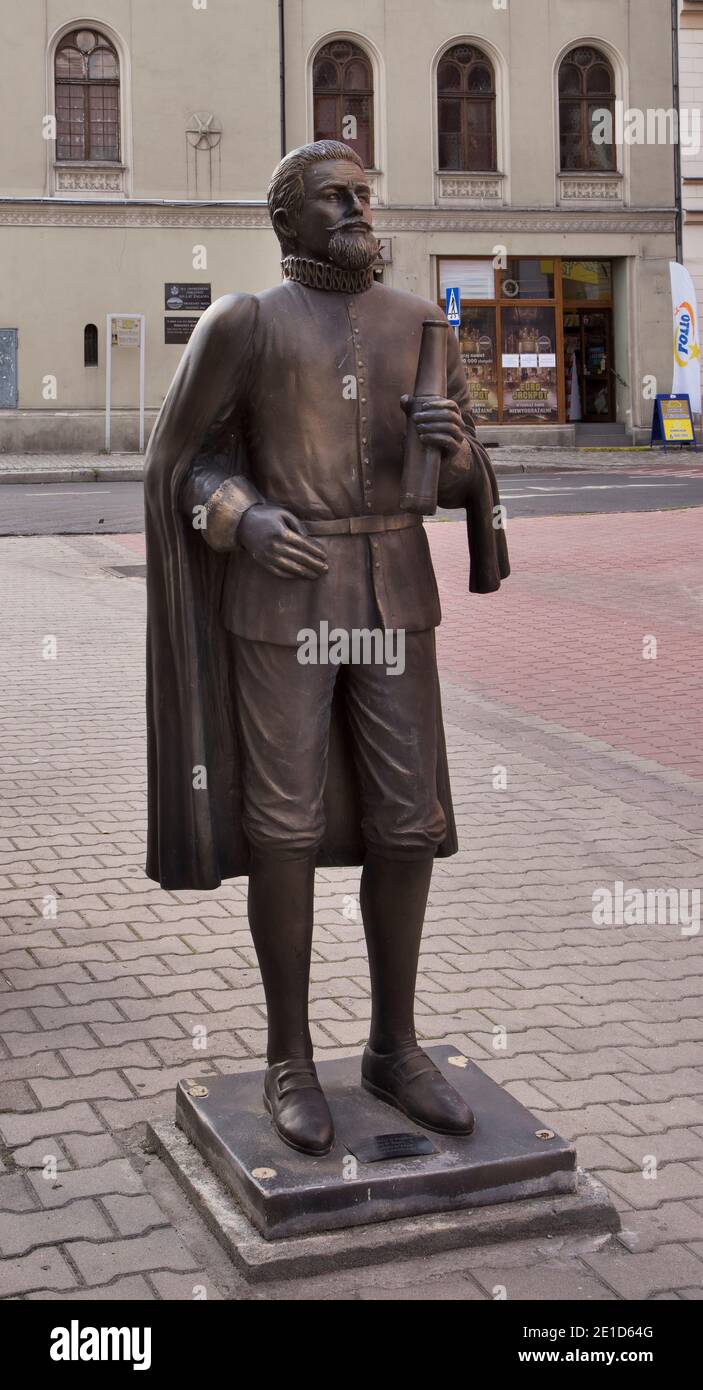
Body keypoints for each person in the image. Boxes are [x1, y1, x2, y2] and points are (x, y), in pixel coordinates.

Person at [144, 140, 509, 1156]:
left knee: (406, 821)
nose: (355, 207)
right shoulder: (246, 325)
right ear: (286, 220)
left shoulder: (420, 324)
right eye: (332, 196)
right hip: (282, 600)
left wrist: (458, 455)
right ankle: (288, 1055)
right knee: (284, 825)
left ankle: (394, 1045)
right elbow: (183, 462)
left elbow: (466, 476)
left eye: (361, 192)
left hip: (392, 595)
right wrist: (240, 516)